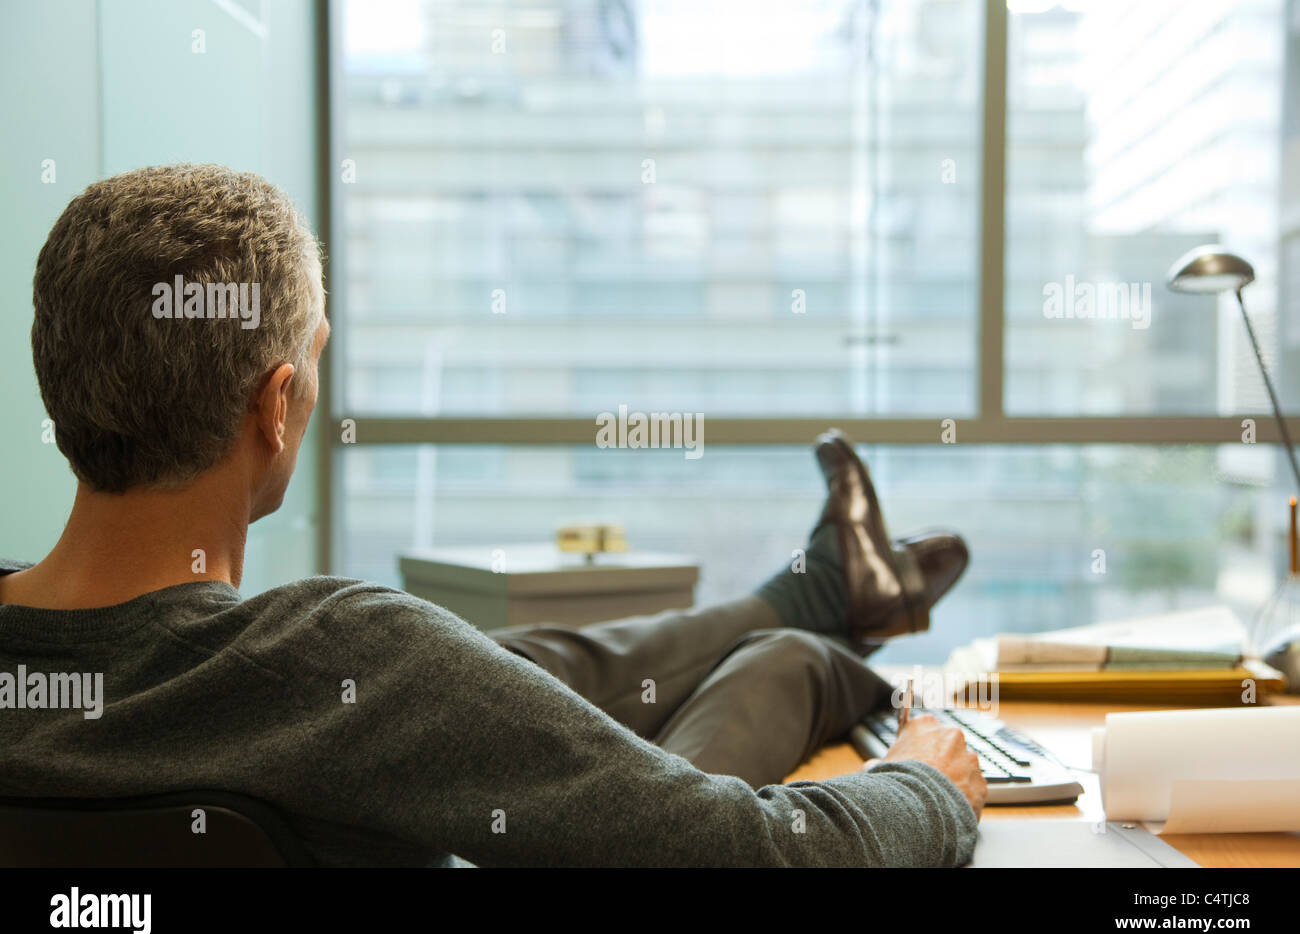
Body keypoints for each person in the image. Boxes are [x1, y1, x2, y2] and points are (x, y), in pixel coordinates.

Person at [0, 164, 985, 867]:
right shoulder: (338, 658)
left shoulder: (336, 669)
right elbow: (747, 854)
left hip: (381, 693)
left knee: (498, 674)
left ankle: (813, 596)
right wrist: (928, 787)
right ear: (276, 402)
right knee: (787, 670)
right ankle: (813, 618)